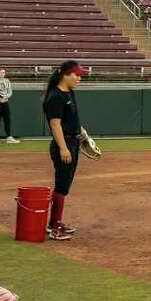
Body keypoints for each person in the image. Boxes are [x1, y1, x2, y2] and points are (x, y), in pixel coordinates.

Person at [43, 62, 94, 240]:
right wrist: (63, 148)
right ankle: (55, 227)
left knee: (64, 185)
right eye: (76, 75)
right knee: (62, 185)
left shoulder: (69, 93)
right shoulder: (56, 96)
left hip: (72, 142)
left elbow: (73, 119)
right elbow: (55, 124)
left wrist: (83, 135)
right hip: (63, 144)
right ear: (65, 75)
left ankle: (54, 223)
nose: (79, 78)